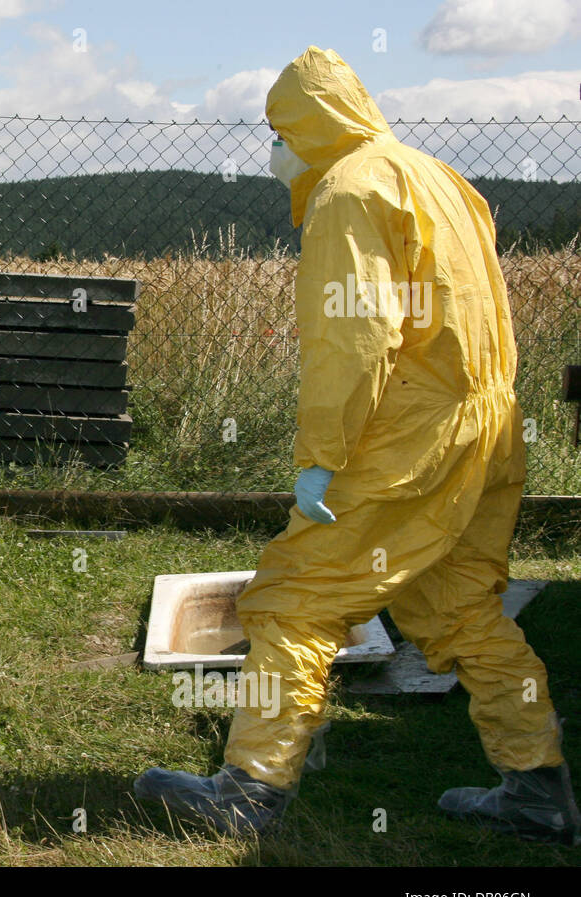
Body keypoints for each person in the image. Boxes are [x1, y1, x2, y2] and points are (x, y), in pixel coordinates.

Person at [134, 46, 579, 845]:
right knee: (462, 608)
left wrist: (323, 455)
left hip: (407, 437)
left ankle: (246, 793)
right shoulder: (442, 178)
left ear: (311, 122)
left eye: (279, 129)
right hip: (486, 425)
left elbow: (356, 338)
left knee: (295, 601)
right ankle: (538, 792)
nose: (275, 148)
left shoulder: (348, 190)